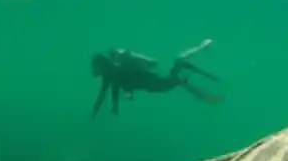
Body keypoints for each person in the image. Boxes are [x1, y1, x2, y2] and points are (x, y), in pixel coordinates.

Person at [90, 39, 222, 117]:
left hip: (157, 84)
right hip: (157, 83)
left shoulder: (117, 72)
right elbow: (109, 93)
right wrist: (113, 106)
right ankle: (201, 53)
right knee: (180, 69)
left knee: (180, 72)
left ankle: (203, 90)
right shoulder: (114, 73)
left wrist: (115, 105)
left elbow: (112, 91)